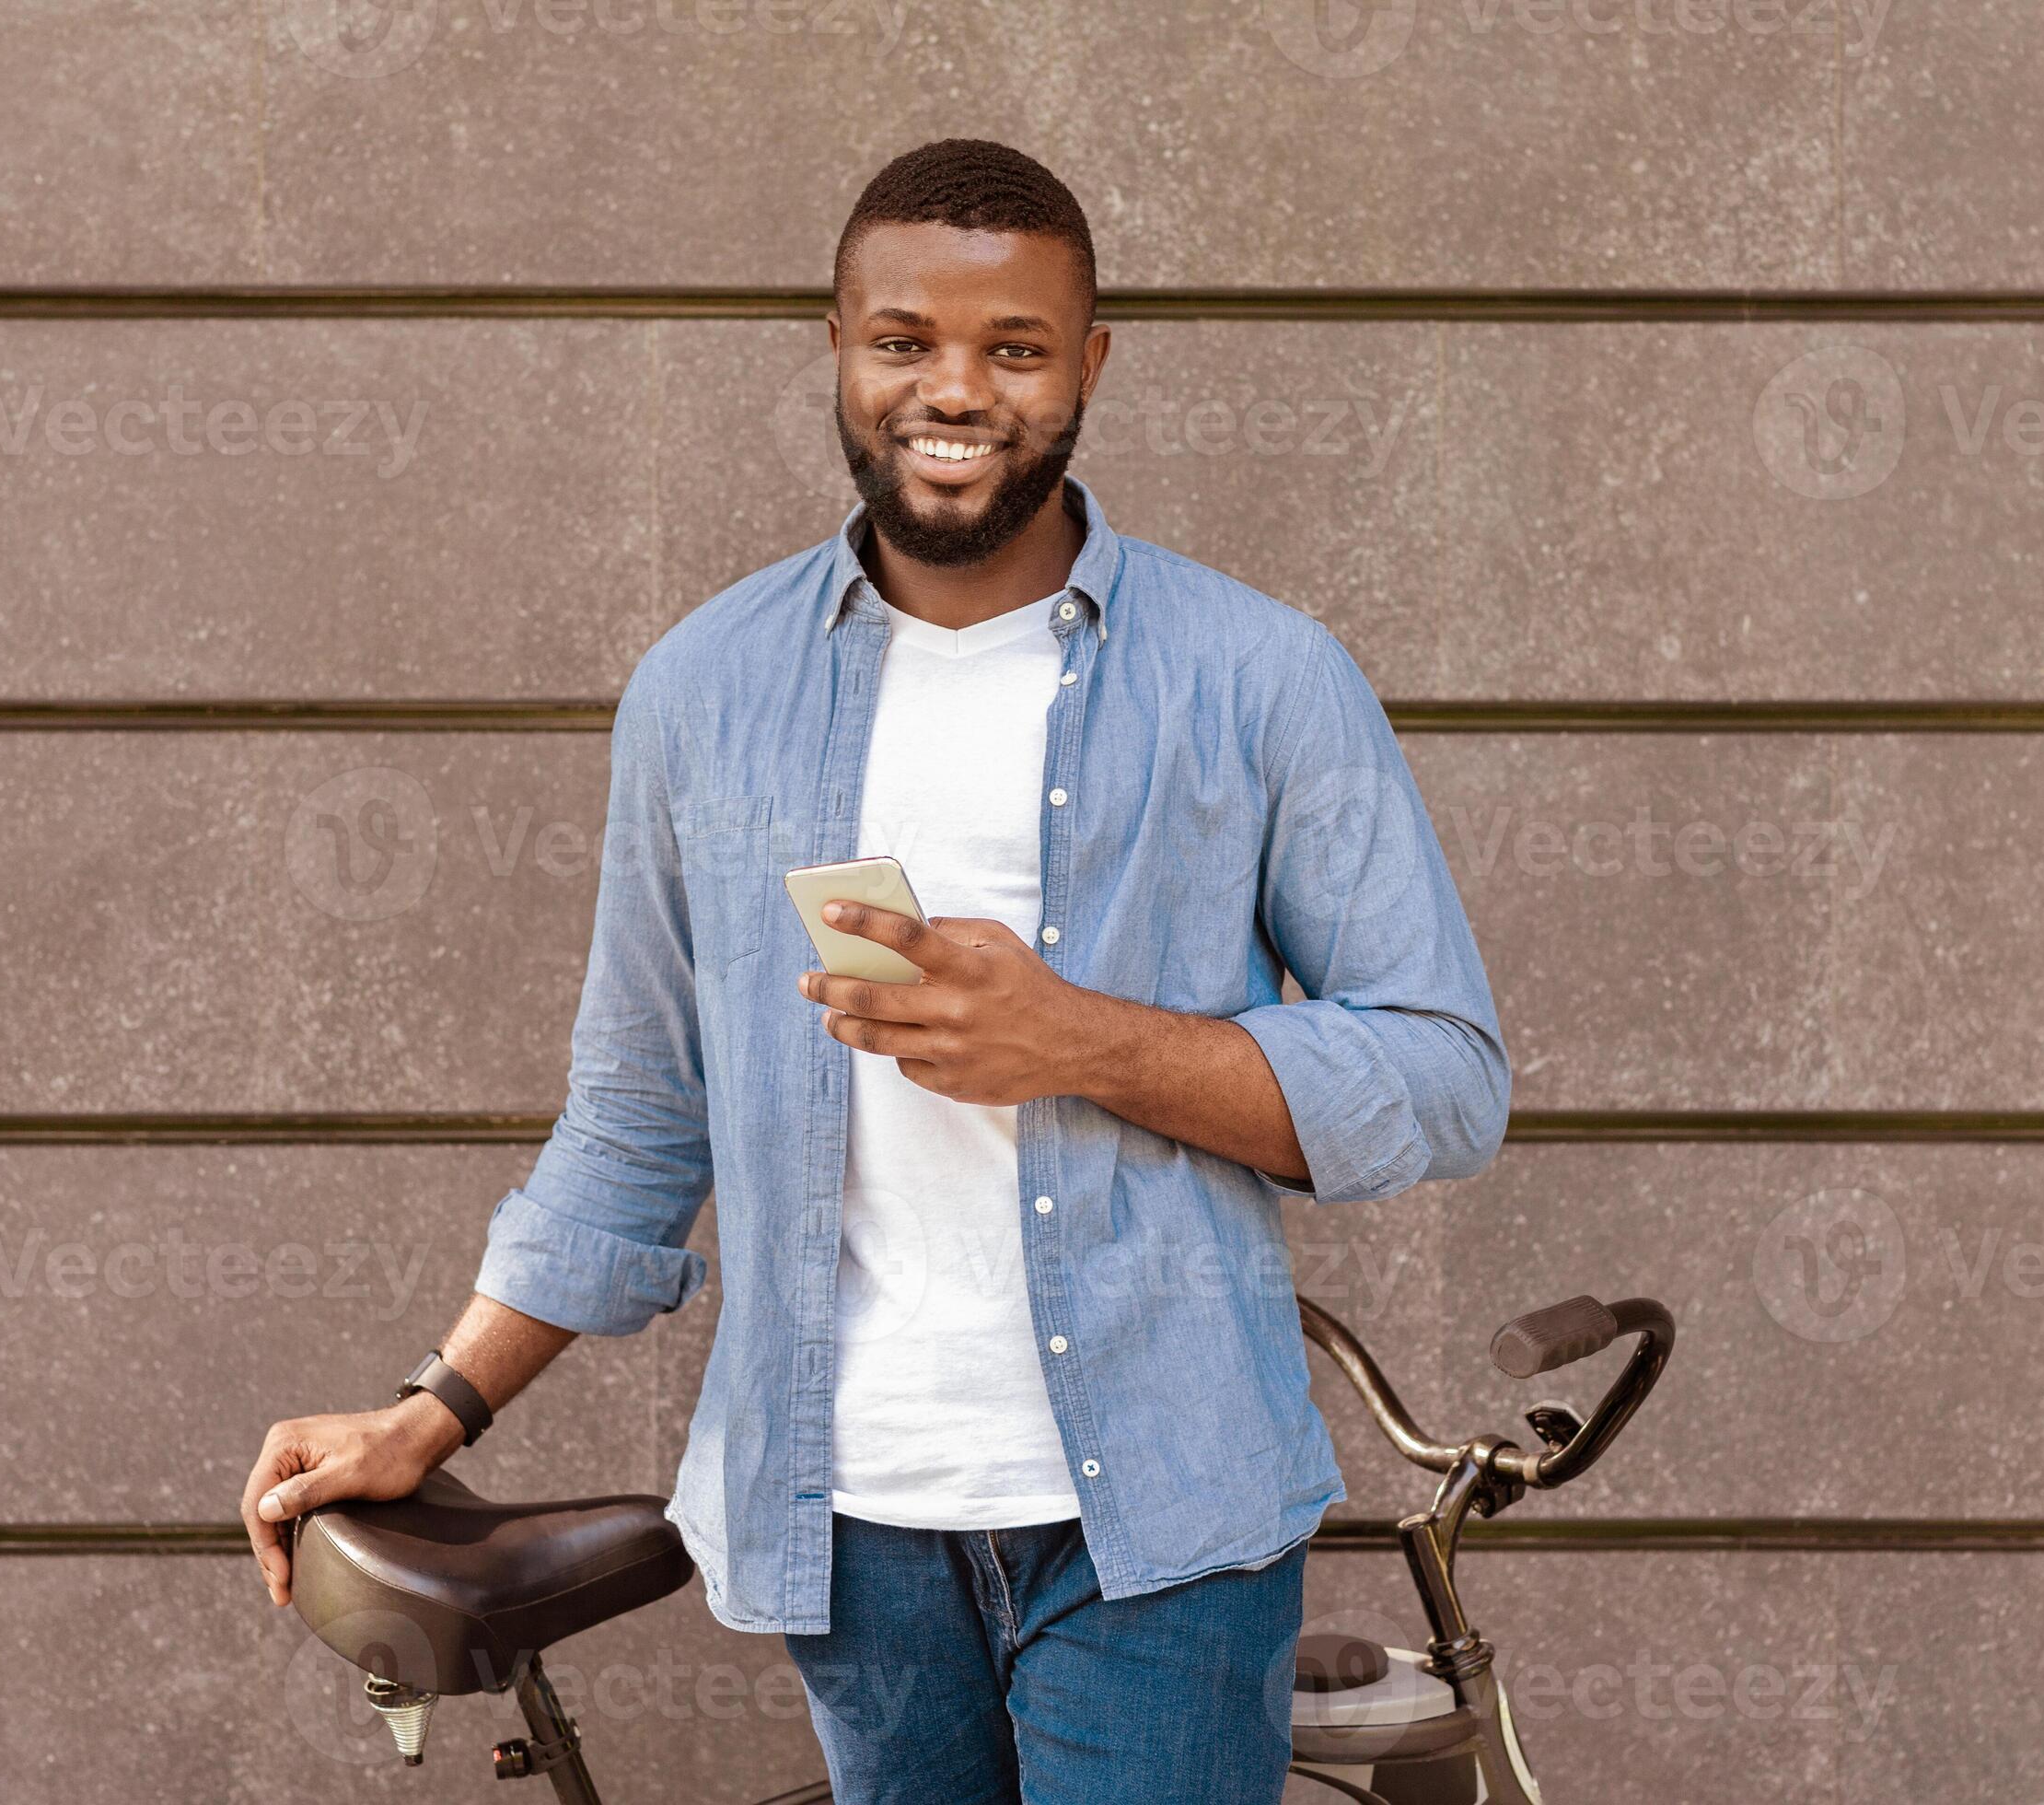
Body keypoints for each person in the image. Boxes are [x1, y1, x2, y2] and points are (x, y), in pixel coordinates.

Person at [241, 137, 1509, 1804]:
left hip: (1168, 1516)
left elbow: (1441, 1075)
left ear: (1092, 364)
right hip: (847, 1523)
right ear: (838, 352)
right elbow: (636, 1115)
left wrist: (1079, 1042)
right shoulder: (702, 692)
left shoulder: (1262, 677)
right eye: (905, 340)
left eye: (1016, 347)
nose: (955, 390)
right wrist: (438, 1405)